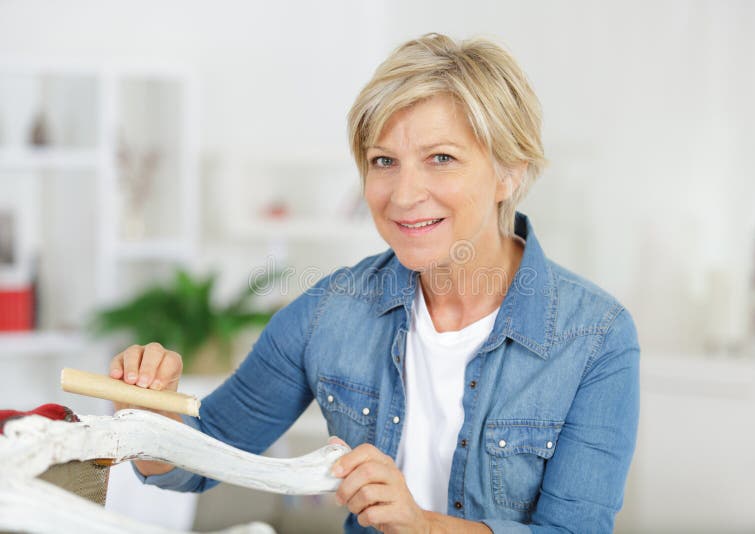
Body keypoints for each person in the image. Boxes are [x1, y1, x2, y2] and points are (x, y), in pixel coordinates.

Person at [109, 33, 640, 533]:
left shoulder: (595, 336)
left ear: (510, 172)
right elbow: (201, 457)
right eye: (384, 161)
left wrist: (423, 525)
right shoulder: (326, 312)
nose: (404, 195)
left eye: (441, 159)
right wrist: (150, 420)